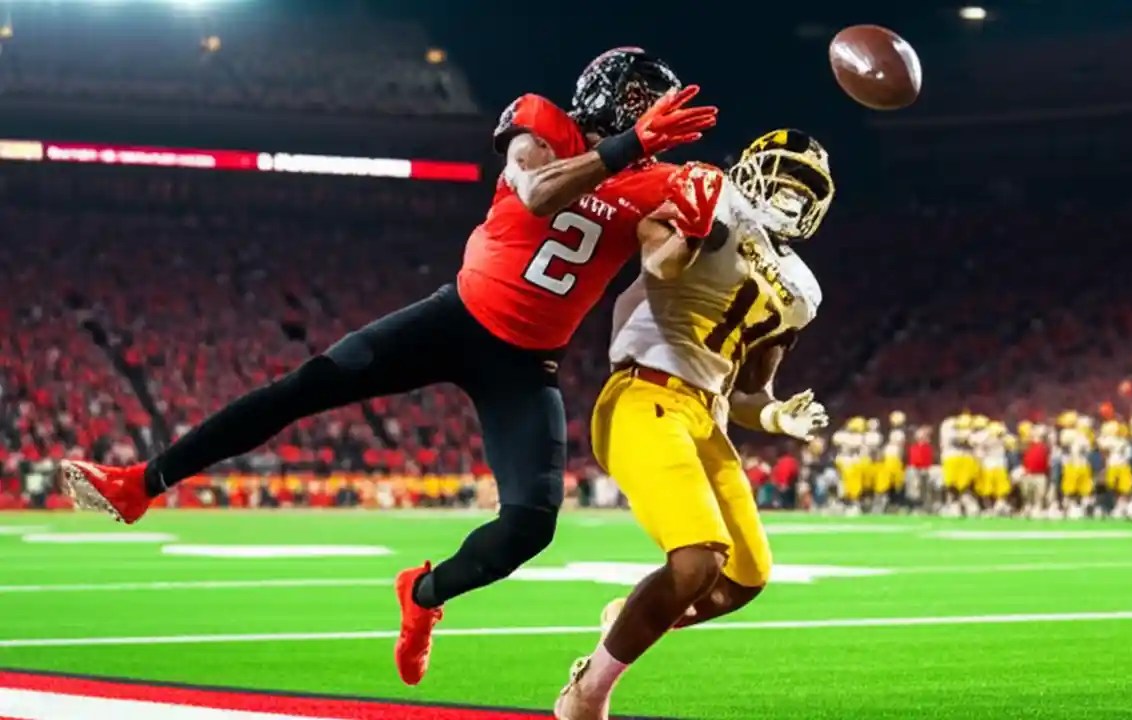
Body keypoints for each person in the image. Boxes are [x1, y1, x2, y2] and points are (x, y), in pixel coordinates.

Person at [55, 47, 719, 686]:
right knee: (303, 388)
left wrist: (689, 231)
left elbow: (662, 267)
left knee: (530, 525)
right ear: (602, 91)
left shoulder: (659, 181)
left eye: (654, 110)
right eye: (639, 102)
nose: (648, 119)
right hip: (453, 319)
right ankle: (140, 483)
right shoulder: (543, 125)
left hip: (527, 365)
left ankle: (424, 593)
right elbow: (537, 191)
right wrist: (625, 146)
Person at [554, 129, 834, 720]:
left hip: (708, 418)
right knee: (699, 558)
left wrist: (778, 414)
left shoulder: (802, 289)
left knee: (746, 576)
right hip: (644, 393)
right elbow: (658, 262)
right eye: (784, 174)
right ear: (754, 166)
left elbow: (750, 388)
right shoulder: (713, 193)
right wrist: (685, 232)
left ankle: (629, 617)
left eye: (805, 188)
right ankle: (588, 694)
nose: (790, 193)